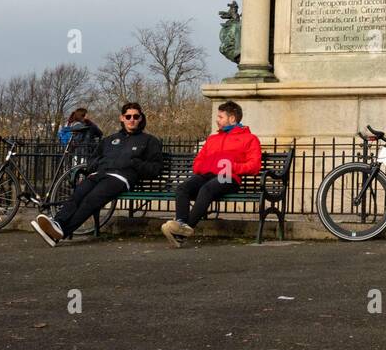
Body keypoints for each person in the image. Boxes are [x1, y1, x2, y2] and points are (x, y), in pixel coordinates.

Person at [31, 102, 162, 245]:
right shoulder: (110, 140)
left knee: (91, 200)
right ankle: (57, 224)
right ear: (122, 118)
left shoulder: (150, 141)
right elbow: (93, 159)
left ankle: (62, 231)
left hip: (120, 178)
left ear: (141, 118)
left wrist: (134, 163)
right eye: (128, 116)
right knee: (77, 195)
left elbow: (155, 169)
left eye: (136, 116)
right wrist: (96, 166)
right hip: (99, 174)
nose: (132, 119)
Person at [161, 101, 261, 247]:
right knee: (183, 188)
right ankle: (180, 226)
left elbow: (254, 166)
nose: (217, 120)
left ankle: (183, 230)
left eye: (220, 117)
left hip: (228, 176)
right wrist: (203, 167)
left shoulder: (250, 139)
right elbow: (198, 161)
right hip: (206, 175)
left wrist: (233, 167)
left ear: (232, 118)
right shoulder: (213, 138)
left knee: (206, 189)